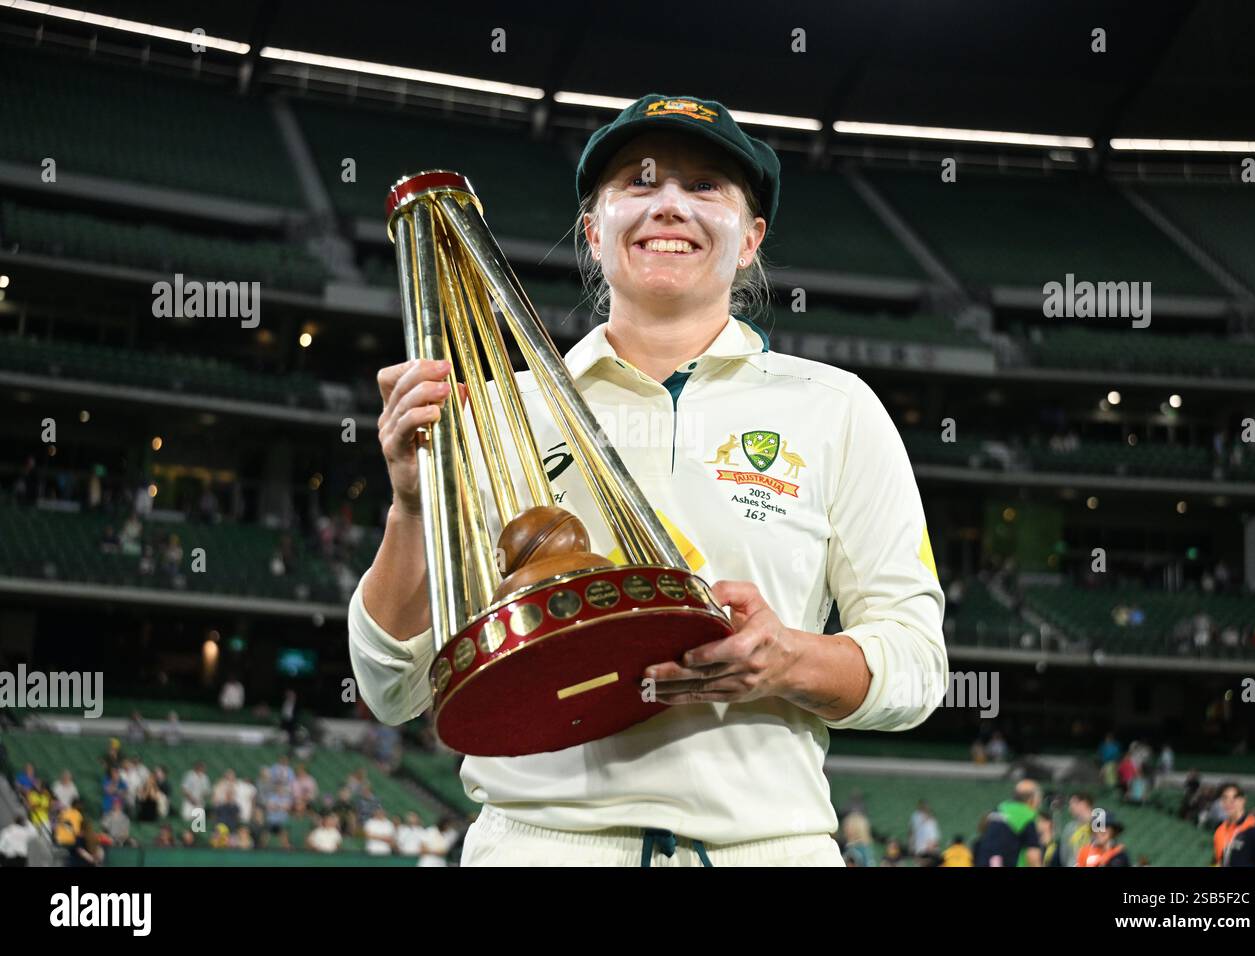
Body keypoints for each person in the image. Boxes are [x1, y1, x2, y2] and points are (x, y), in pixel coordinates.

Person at [349, 92, 946, 867]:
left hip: (766, 849)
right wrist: (409, 504)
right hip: (541, 846)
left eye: (704, 187)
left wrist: (787, 659)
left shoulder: (836, 410)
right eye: (639, 182)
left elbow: (918, 669)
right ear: (594, 233)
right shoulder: (491, 413)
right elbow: (392, 692)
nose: (669, 204)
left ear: (751, 239)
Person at [974, 779, 1043, 867]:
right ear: (1032, 799)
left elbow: (982, 829)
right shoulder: (1027, 816)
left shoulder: (999, 809)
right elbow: (1033, 855)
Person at [1213, 783, 1255, 867]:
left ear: (1243, 800)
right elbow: (1220, 862)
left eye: (1234, 798)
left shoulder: (1254, 830)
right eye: (1225, 798)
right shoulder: (1220, 831)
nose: (1229, 802)